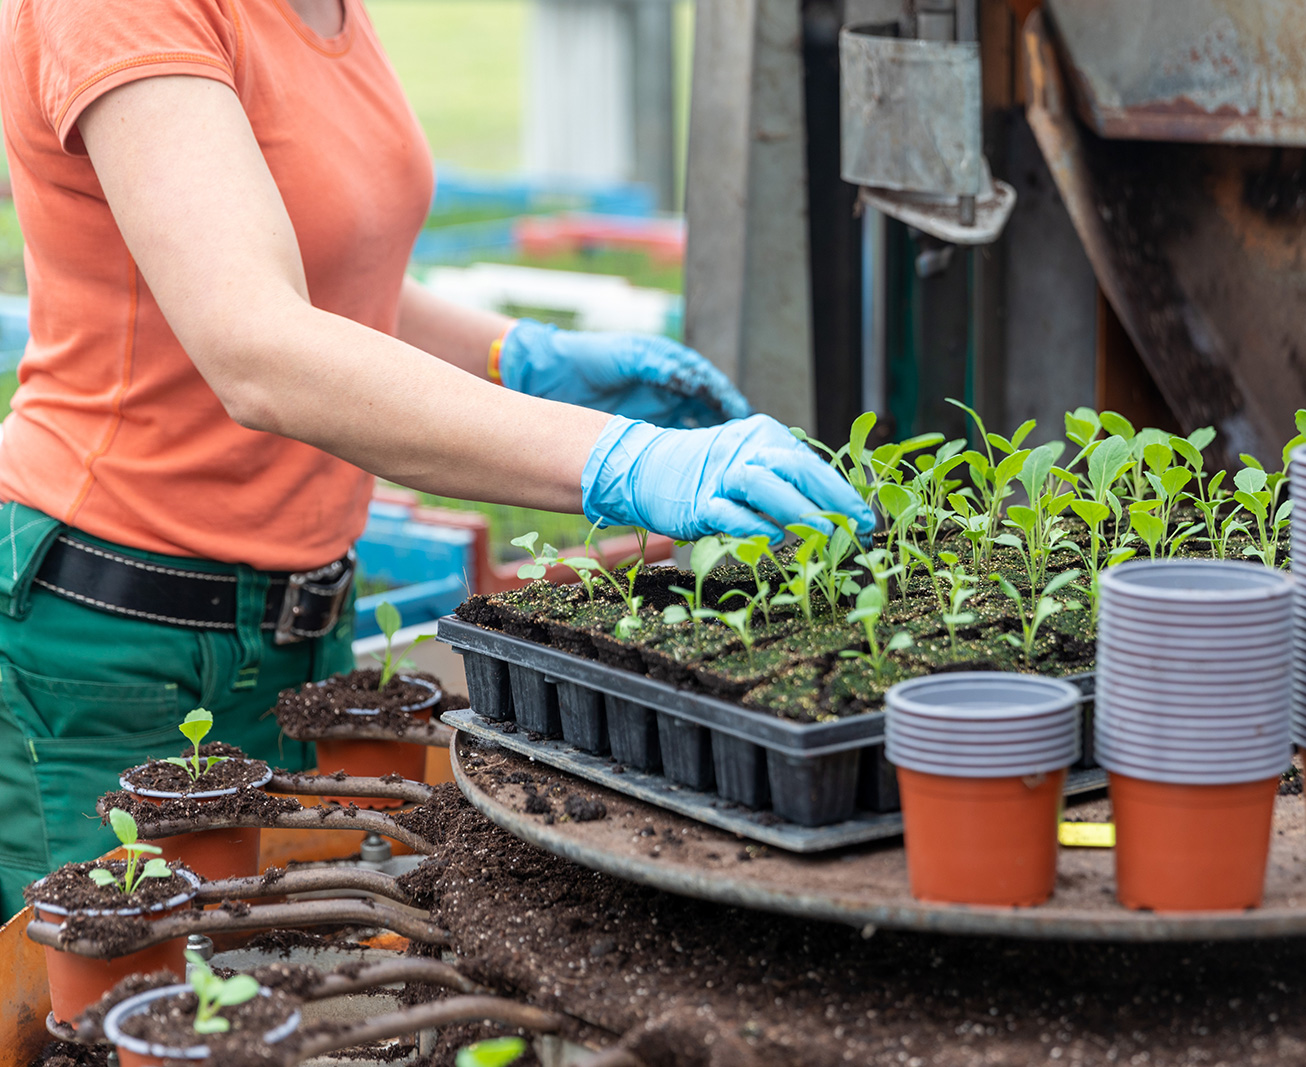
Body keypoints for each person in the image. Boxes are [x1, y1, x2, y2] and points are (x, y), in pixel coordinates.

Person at [0, 0, 872, 914]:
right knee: (130, 1025)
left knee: (279, 992)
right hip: (117, 642)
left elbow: (323, 261)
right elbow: (254, 346)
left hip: (302, 622)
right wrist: (624, 459)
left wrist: (517, 357)